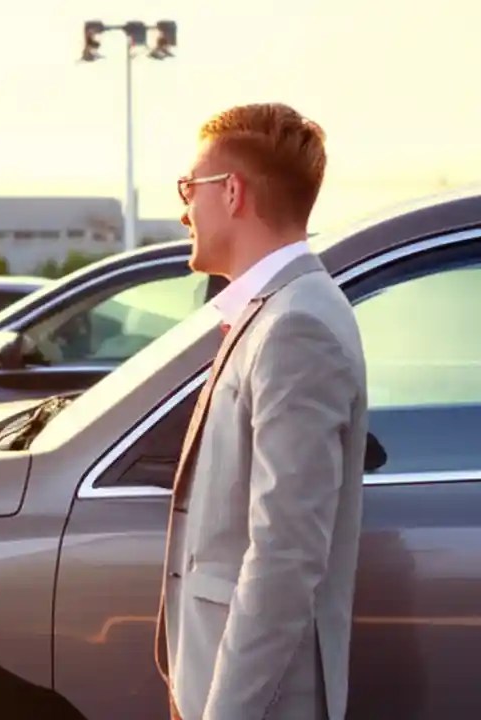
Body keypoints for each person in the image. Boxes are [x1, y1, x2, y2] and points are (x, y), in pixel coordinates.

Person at [157, 103, 368, 720]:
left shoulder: (296, 326)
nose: (183, 210)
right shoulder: (275, 312)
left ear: (231, 192)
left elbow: (285, 553)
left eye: (189, 188)